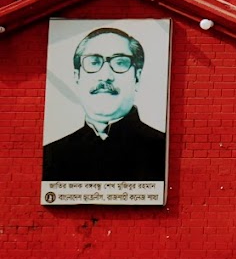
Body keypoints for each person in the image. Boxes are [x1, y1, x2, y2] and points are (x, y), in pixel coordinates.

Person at [42, 27, 166, 182]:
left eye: (120, 63)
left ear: (137, 77)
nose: (105, 76)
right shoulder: (51, 155)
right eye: (94, 62)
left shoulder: (164, 151)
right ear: (77, 77)